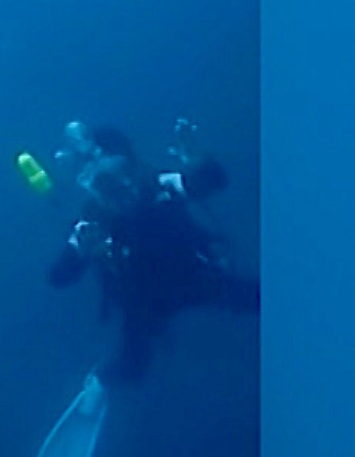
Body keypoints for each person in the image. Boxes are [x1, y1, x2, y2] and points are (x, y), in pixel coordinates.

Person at [45, 119, 259, 388]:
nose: (122, 191)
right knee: (132, 365)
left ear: (130, 164)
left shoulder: (159, 185)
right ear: (90, 186)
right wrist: (80, 253)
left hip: (192, 276)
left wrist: (194, 159)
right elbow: (58, 277)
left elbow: (213, 181)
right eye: (105, 186)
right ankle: (102, 384)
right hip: (143, 302)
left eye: (123, 175)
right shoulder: (93, 222)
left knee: (251, 295)